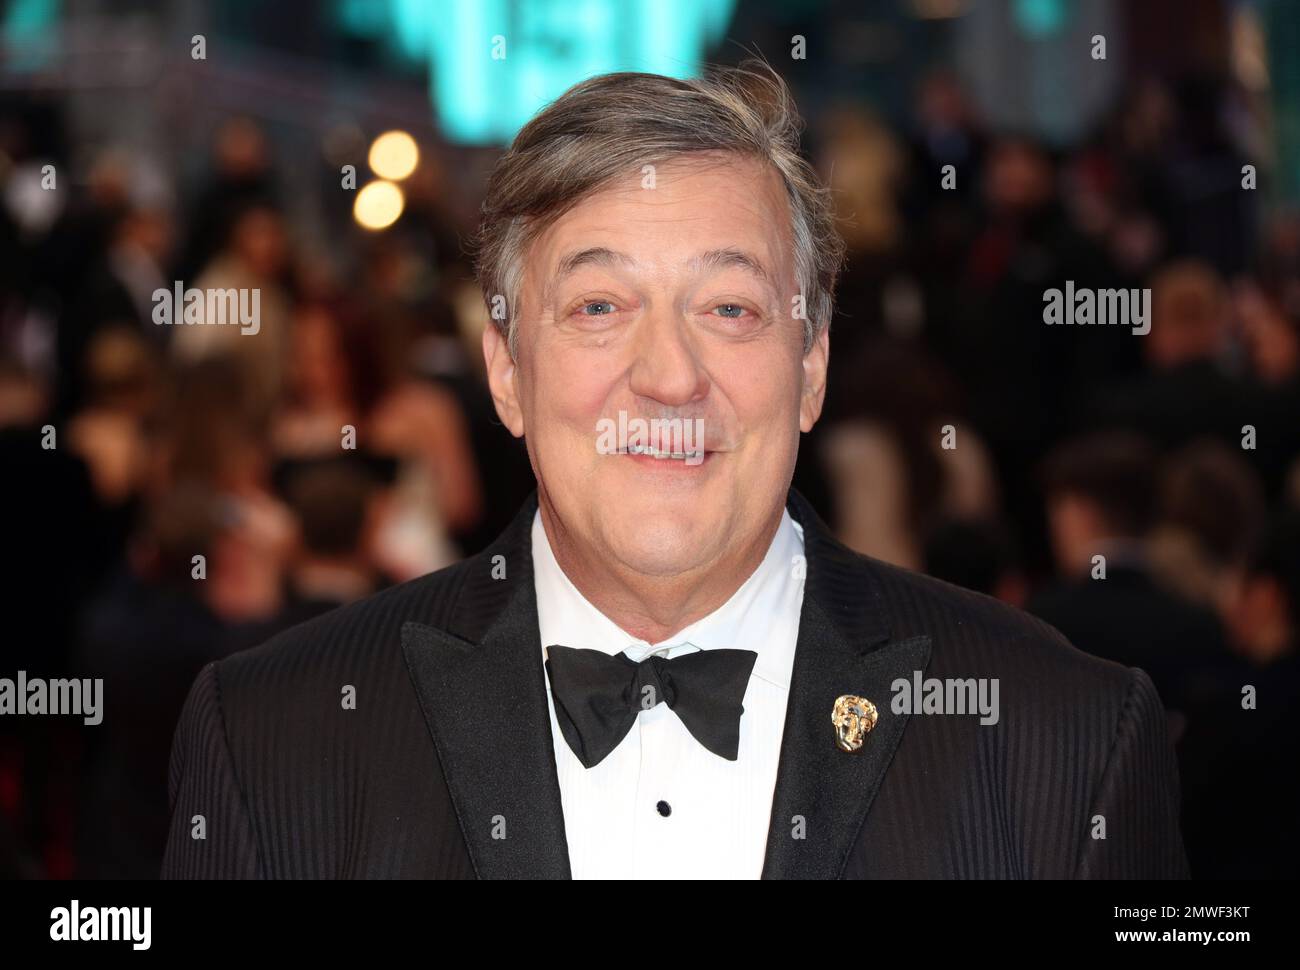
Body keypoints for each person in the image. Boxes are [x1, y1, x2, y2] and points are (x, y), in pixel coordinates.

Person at [162, 62, 1187, 880]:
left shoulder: (1067, 742)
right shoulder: (273, 744)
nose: (666, 377)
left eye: (728, 309)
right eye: (599, 307)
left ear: (811, 365)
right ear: (507, 374)